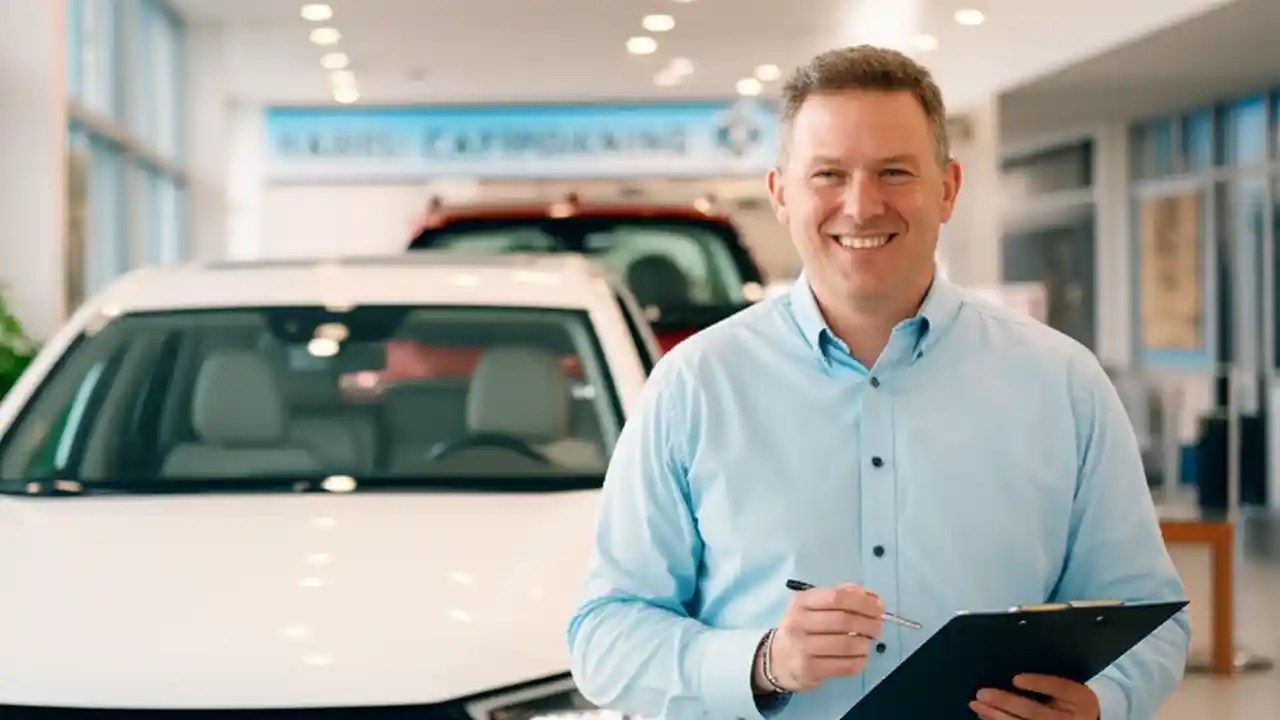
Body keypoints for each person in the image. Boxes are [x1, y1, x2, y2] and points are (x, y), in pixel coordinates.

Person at [566, 45, 1190, 720]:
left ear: (947, 189)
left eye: (894, 172)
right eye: (828, 174)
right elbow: (605, 635)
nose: (861, 207)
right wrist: (762, 662)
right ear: (781, 194)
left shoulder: (1062, 383)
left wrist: (1100, 703)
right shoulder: (694, 385)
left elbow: (1147, 621)